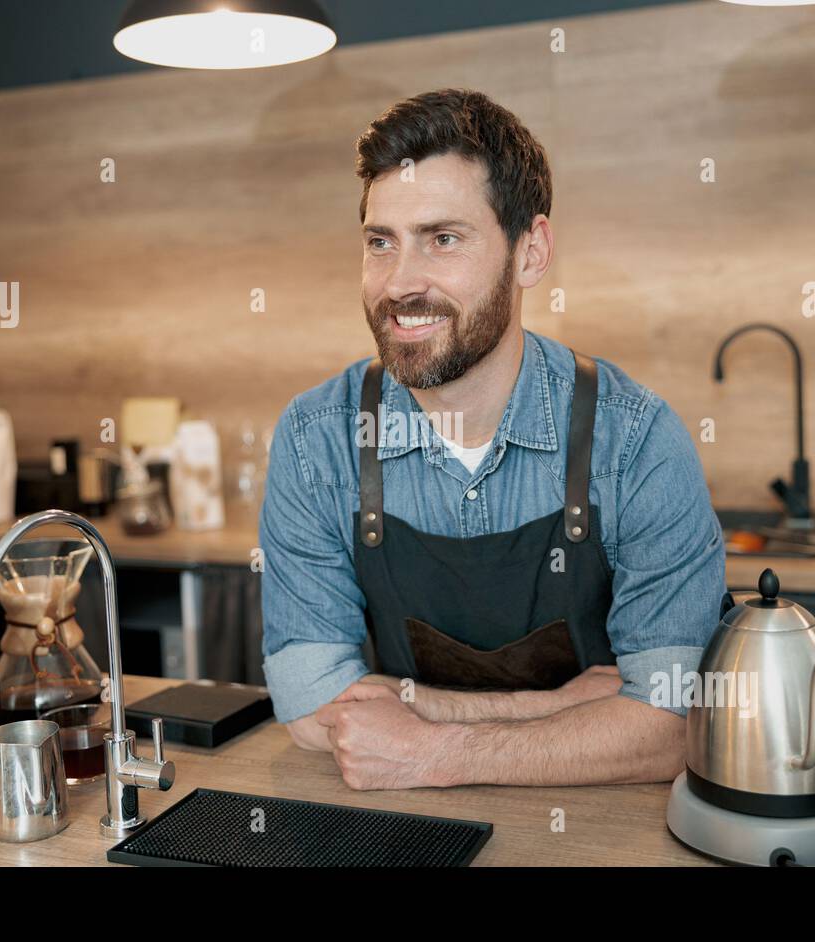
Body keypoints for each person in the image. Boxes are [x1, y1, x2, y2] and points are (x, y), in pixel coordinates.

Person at [260, 89, 725, 790]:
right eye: (381, 243)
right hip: (403, 835)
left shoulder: (635, 439)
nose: (400, 284)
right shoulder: (314, 439)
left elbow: (672, 724)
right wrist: (558, 710)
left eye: (443, 239)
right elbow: (310, 709)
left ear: (531, 252)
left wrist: (428, 744)